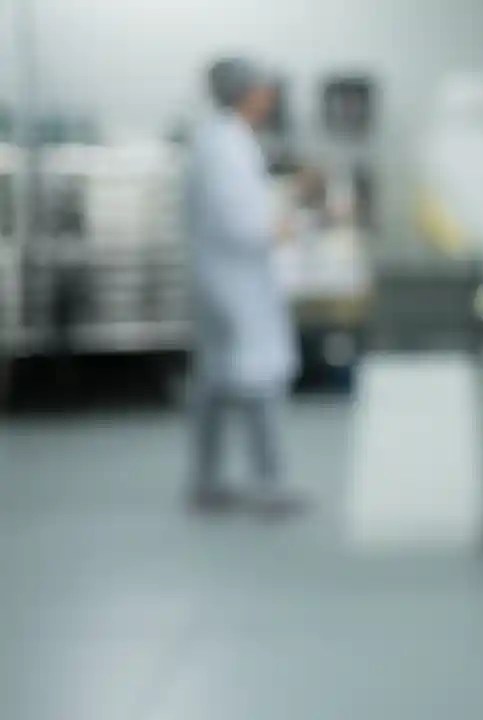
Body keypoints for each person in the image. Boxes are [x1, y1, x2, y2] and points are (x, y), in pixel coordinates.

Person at [185, 58, 304, 517]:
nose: (270, 97)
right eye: (264, 88)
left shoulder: (222, 138)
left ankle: (206, 482)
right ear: (248, 93)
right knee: (258, 375)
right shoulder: (227, 145)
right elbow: (242, 221)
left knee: (215, 379)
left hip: (222, 276)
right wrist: (282, 227)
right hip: (235, 280)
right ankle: (269, 486)